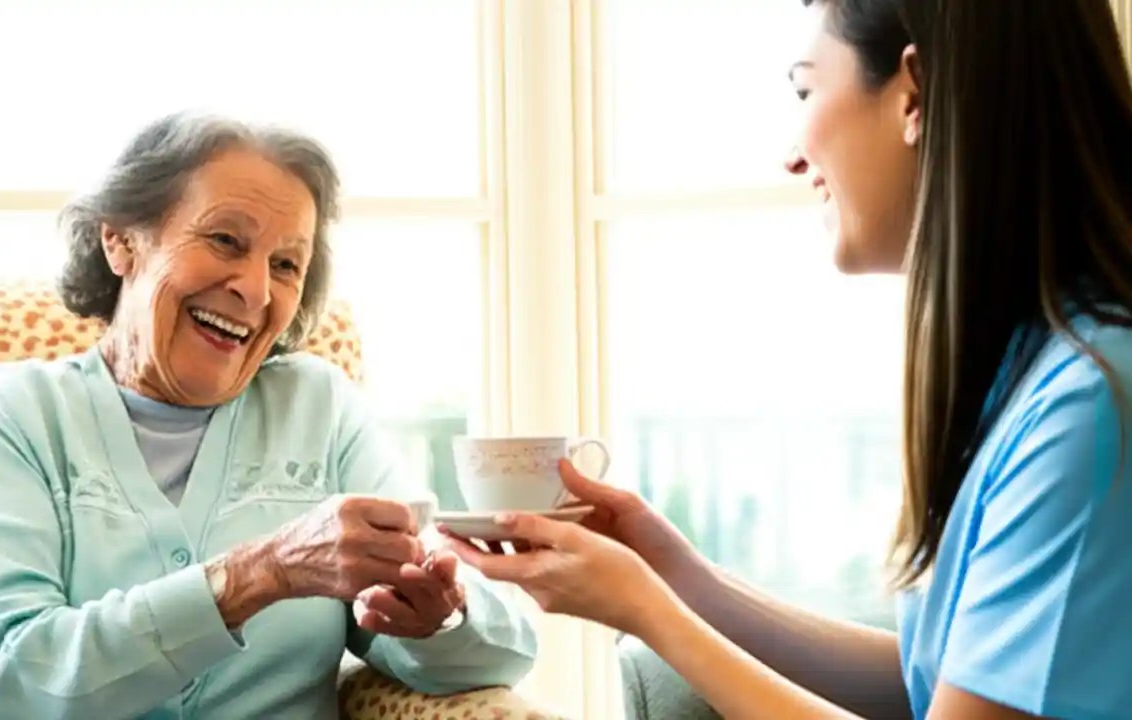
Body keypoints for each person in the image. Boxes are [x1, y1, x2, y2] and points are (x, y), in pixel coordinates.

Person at [445, 1, 1132, 718]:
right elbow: (930, 687)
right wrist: (672, 573)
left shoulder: (1093, 406)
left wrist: (650, 611)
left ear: (914, 97)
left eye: (807, 90)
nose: (793, 155)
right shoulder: (1036, 374)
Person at [0, 112, 536, 720]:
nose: (255, 290)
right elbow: (2, 683)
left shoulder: (318, 408)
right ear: (120, 240)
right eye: (225, 240)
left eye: (285, 265)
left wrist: (437, 618)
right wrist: (259, 574)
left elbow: (501, 651)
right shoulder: (10, 412)